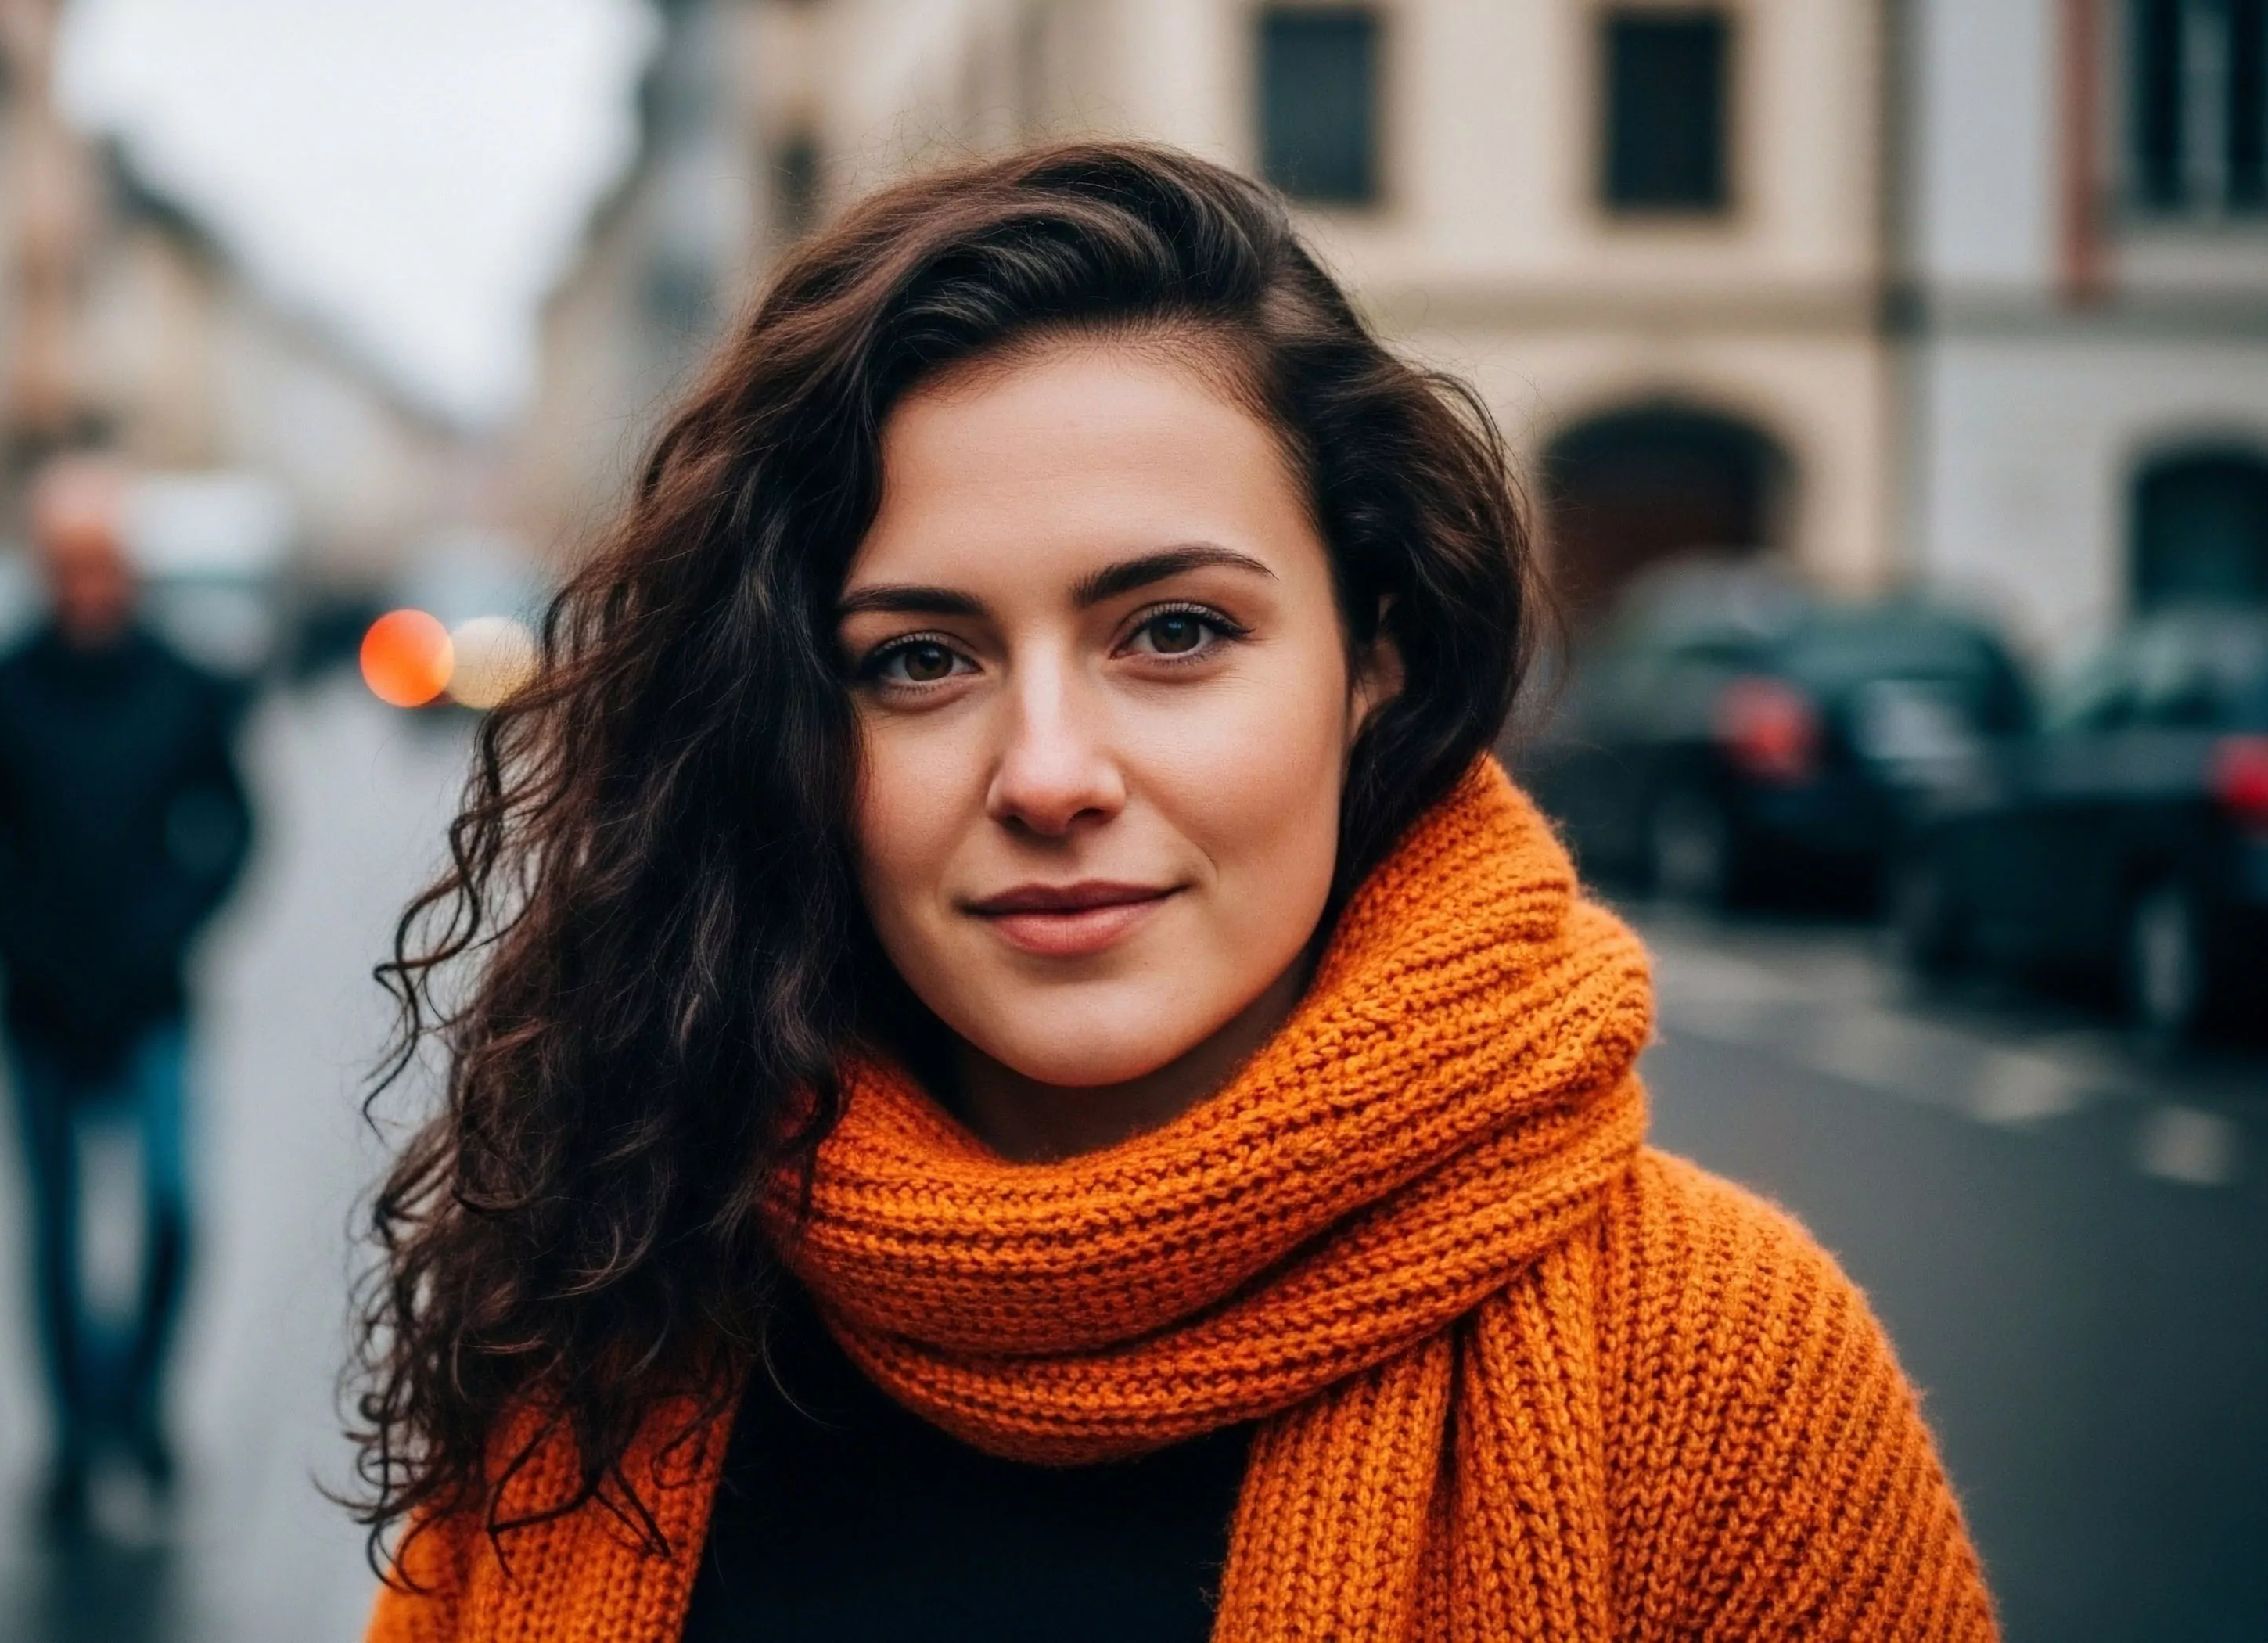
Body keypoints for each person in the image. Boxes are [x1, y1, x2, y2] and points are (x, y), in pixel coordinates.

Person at [355, 144, 1997, 1640]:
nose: (1049, 772)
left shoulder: (1711, 1372)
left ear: (1372, 658)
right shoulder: (615, 1289)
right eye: (920, 661)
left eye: (1173, 633)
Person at [0, 458, 253, 1529]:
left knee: (171, 1209)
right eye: (69, 567)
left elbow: (233, 825)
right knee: (57, 1228)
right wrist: (12, 938)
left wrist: (168, 923)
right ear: (42, 570)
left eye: (105, 565)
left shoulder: (183, 683)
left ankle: (138, 1402)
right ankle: (72, 1437)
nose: (89, 588)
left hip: (152, 993)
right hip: (34, 1004)